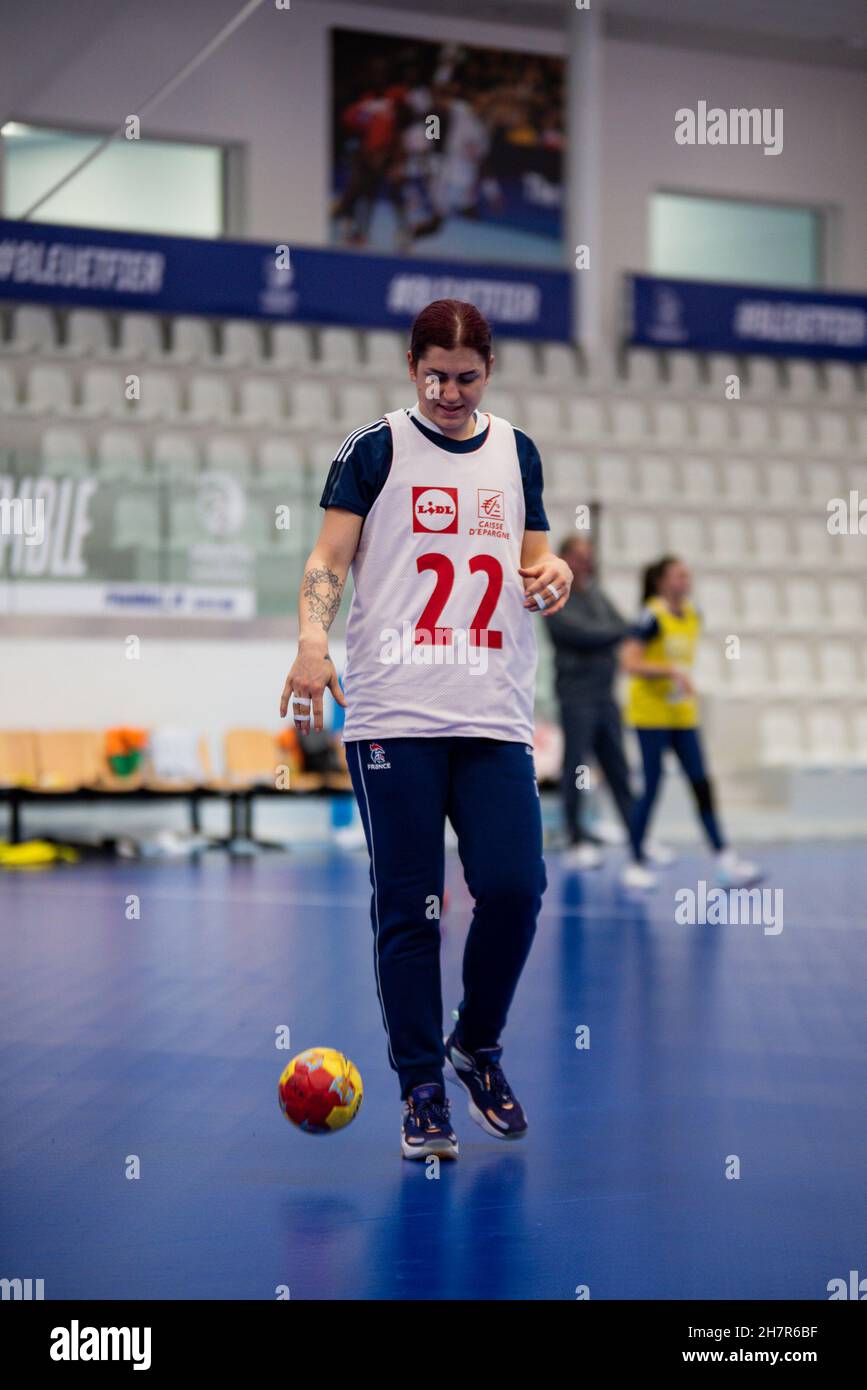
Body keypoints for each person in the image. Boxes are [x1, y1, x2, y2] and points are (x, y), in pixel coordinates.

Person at [279, 298, 572, 1160]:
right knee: (409, 908)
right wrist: (308, 641)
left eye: (466, 376)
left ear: (490, 371)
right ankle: (420, 1091)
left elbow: (533, 561)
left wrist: (549, 568)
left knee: (515, 888)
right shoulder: (375, 448)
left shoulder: (516, 452)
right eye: (435, 375)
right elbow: (327, 559)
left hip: (492, 712)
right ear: (412, 366)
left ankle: (475, 1046)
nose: (450, 391)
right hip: (394, 715)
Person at [619, 555, 759, 890]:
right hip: (650, 716)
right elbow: (629, 662)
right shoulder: (650, 615)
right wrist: (670, 671)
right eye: (679, 576)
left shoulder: (694, 613)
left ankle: (725, 859)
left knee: (701, 784)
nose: (685, 582)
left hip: (682, 715)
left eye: (687, 576)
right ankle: (636, 861)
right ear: (662, 582)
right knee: (651, 787)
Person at [545, 535, 663, 869]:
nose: (586, 563)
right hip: (575, 696)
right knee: (577, 768)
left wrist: (618, 630)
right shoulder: (556, 595)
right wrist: (620, 632)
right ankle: (575, 837)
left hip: (604, 694)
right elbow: (581, 634)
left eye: (589, 557)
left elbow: (615, 623)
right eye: (579, 556)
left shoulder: (597, 594)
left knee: (618, 768)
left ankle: (637, 834)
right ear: (565, 558)